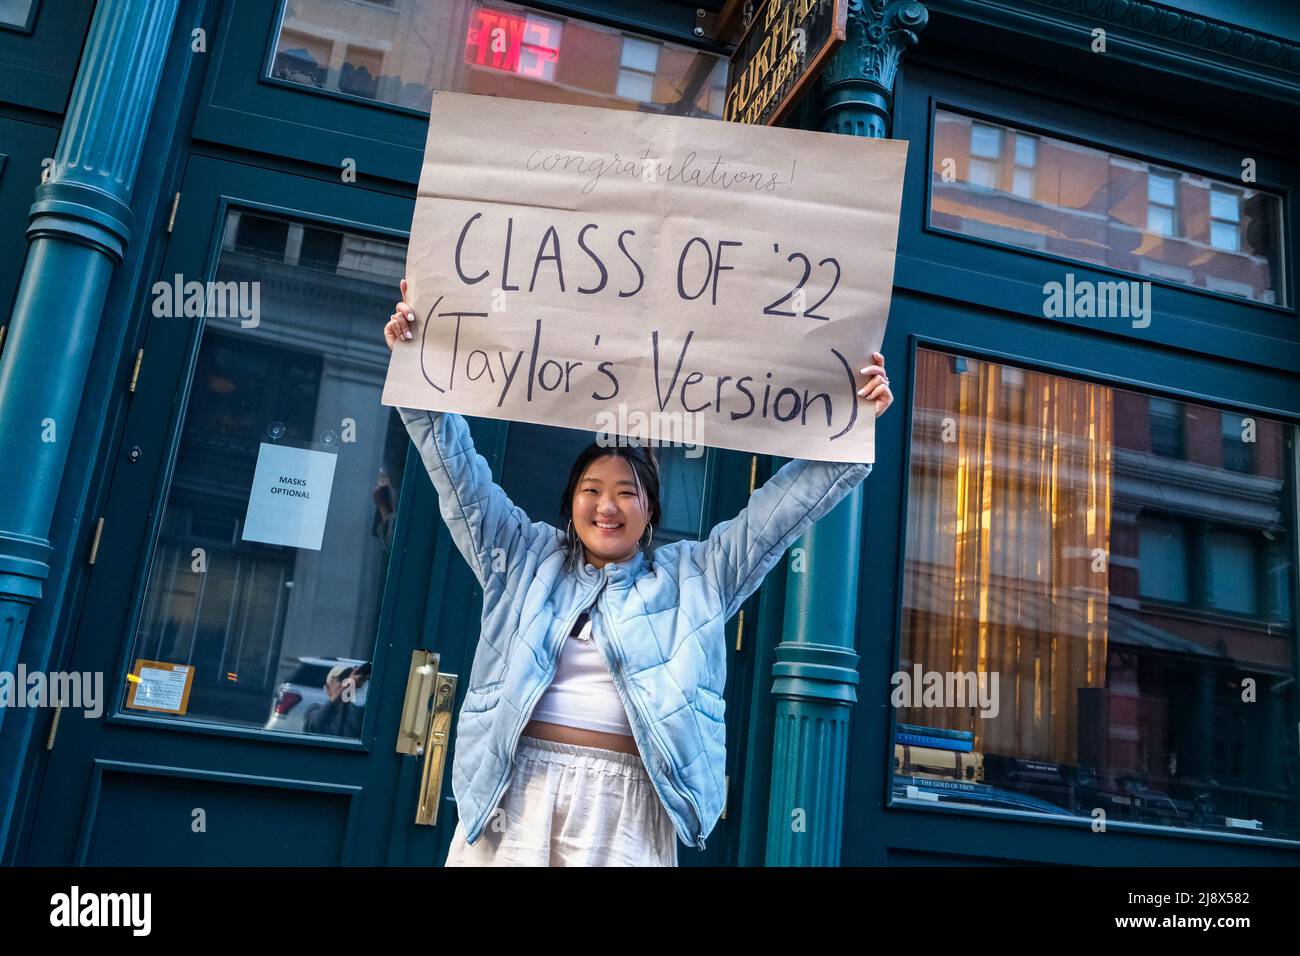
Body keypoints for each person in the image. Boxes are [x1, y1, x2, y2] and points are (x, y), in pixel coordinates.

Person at [385, 278, 892, 866]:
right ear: (571, 501)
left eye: (627, 493)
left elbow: (776, 517)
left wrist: (853, 423)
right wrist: (415, 368)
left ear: (650, 510)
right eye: (592, 490)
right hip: (512, 795)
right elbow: (459, 475)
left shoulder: (697, 577)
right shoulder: (520, 556)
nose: (607, 506)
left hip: (630, 803)